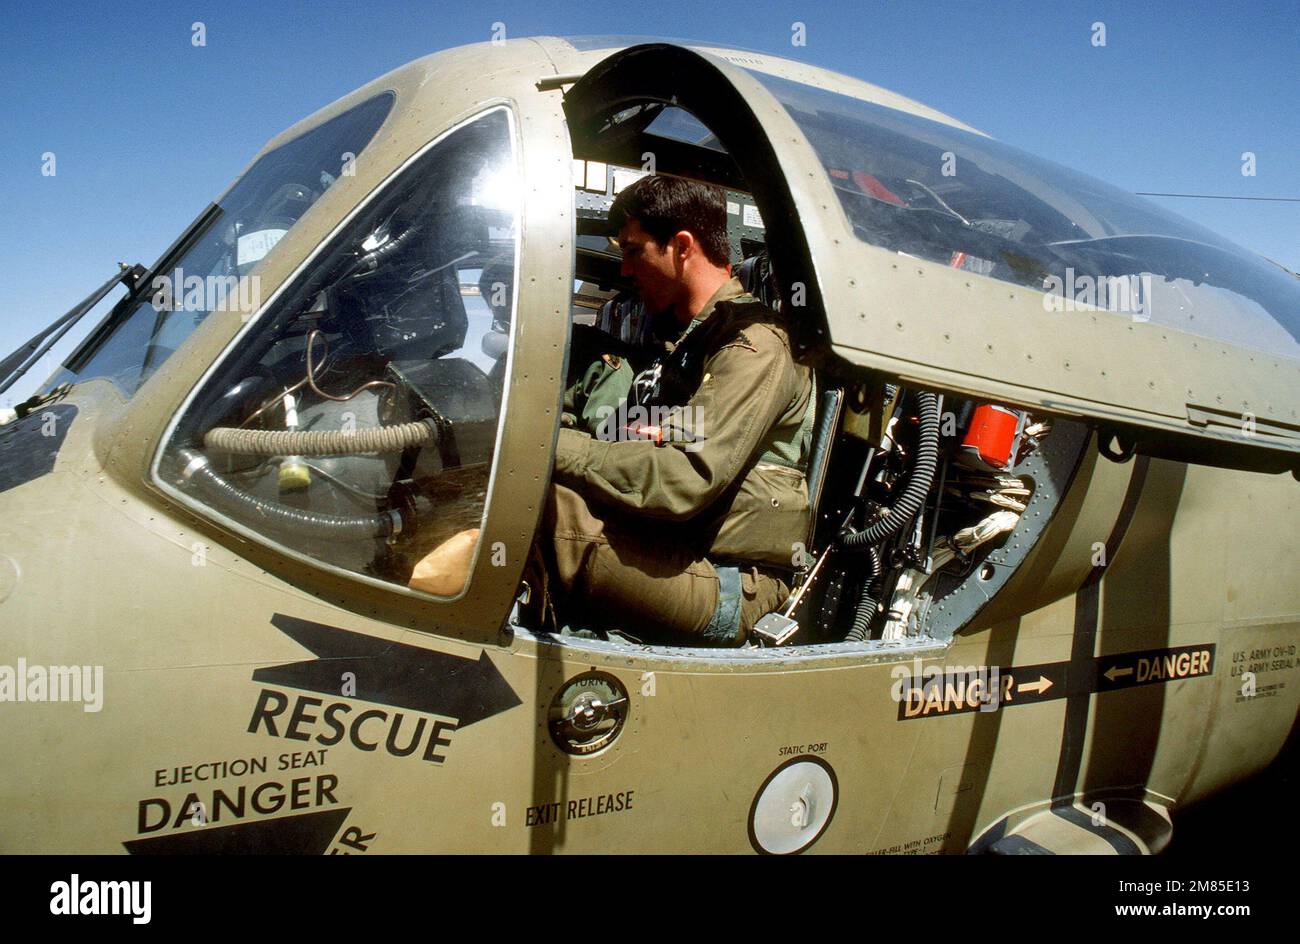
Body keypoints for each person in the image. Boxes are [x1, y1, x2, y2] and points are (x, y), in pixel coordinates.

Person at [538, 175, 815, 645]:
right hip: (672, 548)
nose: (625, 271)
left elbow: (684, 478)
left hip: (728, 581)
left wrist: (544, 447)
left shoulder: (755, 347)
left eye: (633, 251)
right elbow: (634, 442)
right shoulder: (689, 346)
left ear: (681, 246)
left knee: (540, 507)